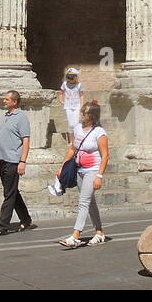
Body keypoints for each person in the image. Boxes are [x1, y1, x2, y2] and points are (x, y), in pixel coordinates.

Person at [57, 101, 109, 248]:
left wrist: (99, 176)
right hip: (79, 169)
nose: (81, 115)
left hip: (92, 170)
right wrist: (62, 166)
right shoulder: (78, 128)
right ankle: (99, 232)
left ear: (91, 116)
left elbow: (105, 155)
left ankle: (75, 236)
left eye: (83, 113)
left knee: (83, 201)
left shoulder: (100, 133)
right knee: (90, 201)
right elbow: (72, 149)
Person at [0, 89, 35, 236]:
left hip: (13, 160)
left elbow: (26, 140)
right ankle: (26, 219)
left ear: (14, 102)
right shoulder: (4, 116)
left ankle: (2, 226)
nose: (4, 101)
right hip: (2, 158)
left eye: (7, 99)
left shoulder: (22, 118)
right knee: (12, 191)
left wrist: (23, 161)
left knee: (9, 194)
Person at [57, 67, 85, 142]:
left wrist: (81, 105)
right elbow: (61, 92)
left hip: (77, 106)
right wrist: (61, 100)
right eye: (68, 77)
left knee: (76, 123)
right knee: (70, 124)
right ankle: (71, 141)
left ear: (76, 77)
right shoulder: (65, 84)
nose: (70, 79)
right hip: (68, 106)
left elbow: (81, 95)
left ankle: (77, 139)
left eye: (72, 78)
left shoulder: (79, 85)